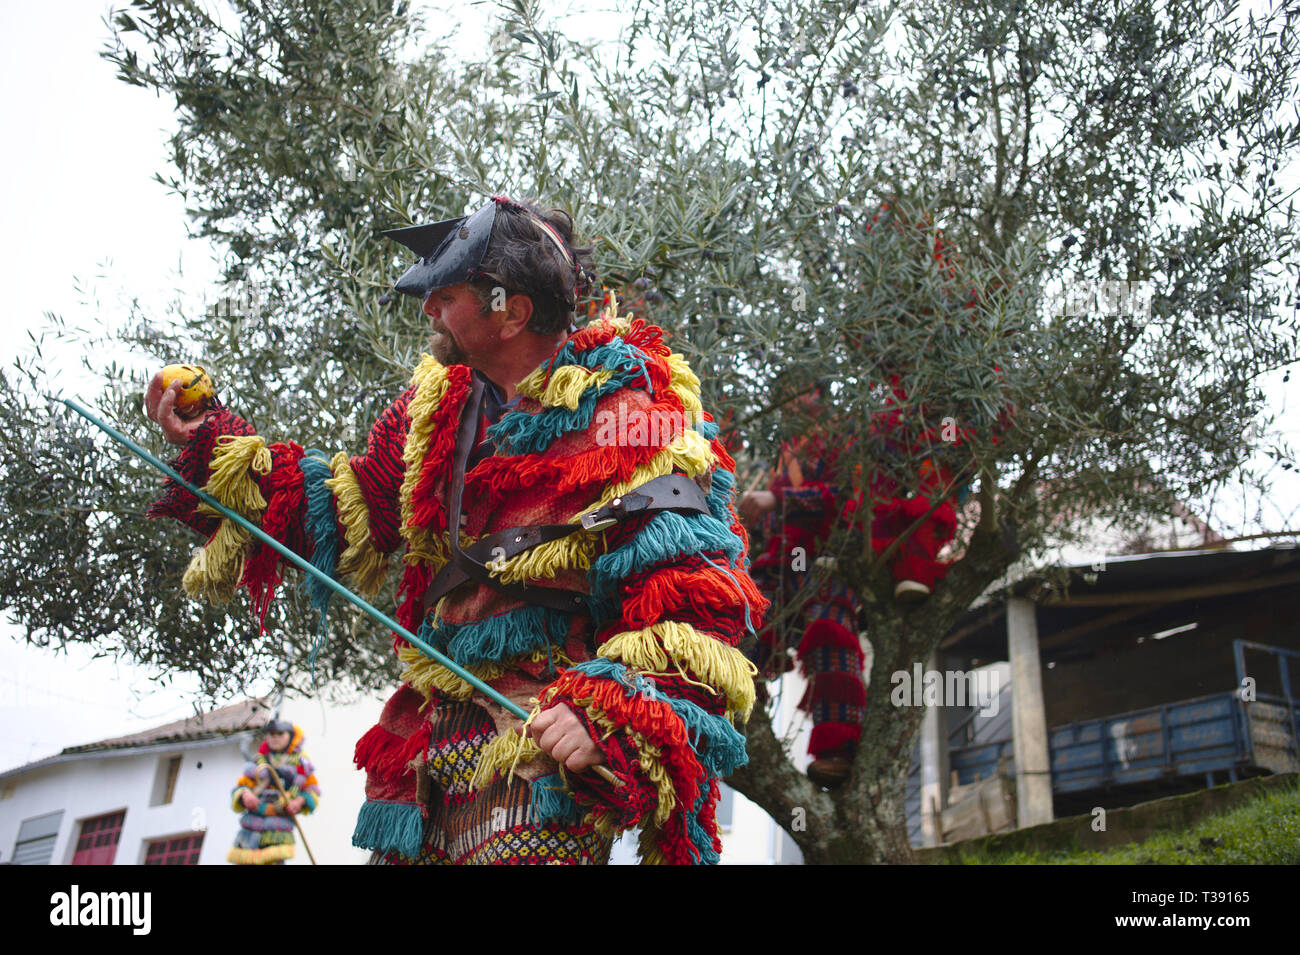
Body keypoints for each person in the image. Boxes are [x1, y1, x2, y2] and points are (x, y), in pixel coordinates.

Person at [145, 196, 763, 865]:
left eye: (446, 293)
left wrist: (608, 710)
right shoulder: (431, 408)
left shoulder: (628, 408)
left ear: (514, 311)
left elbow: (696, 601)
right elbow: (348, 510)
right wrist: (218, 441)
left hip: (539, 743)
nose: (428, 309)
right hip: (427, 748)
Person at [228, 718, 320, 864]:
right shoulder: (258, 761)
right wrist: (245, 795)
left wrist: (299, 801)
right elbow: (240, 787)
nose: (275, 738)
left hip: (278, 829)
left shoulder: (301, 764)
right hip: (251, 828)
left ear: (290, 736)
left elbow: (313, 790)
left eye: (280, 734)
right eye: (271, 734)